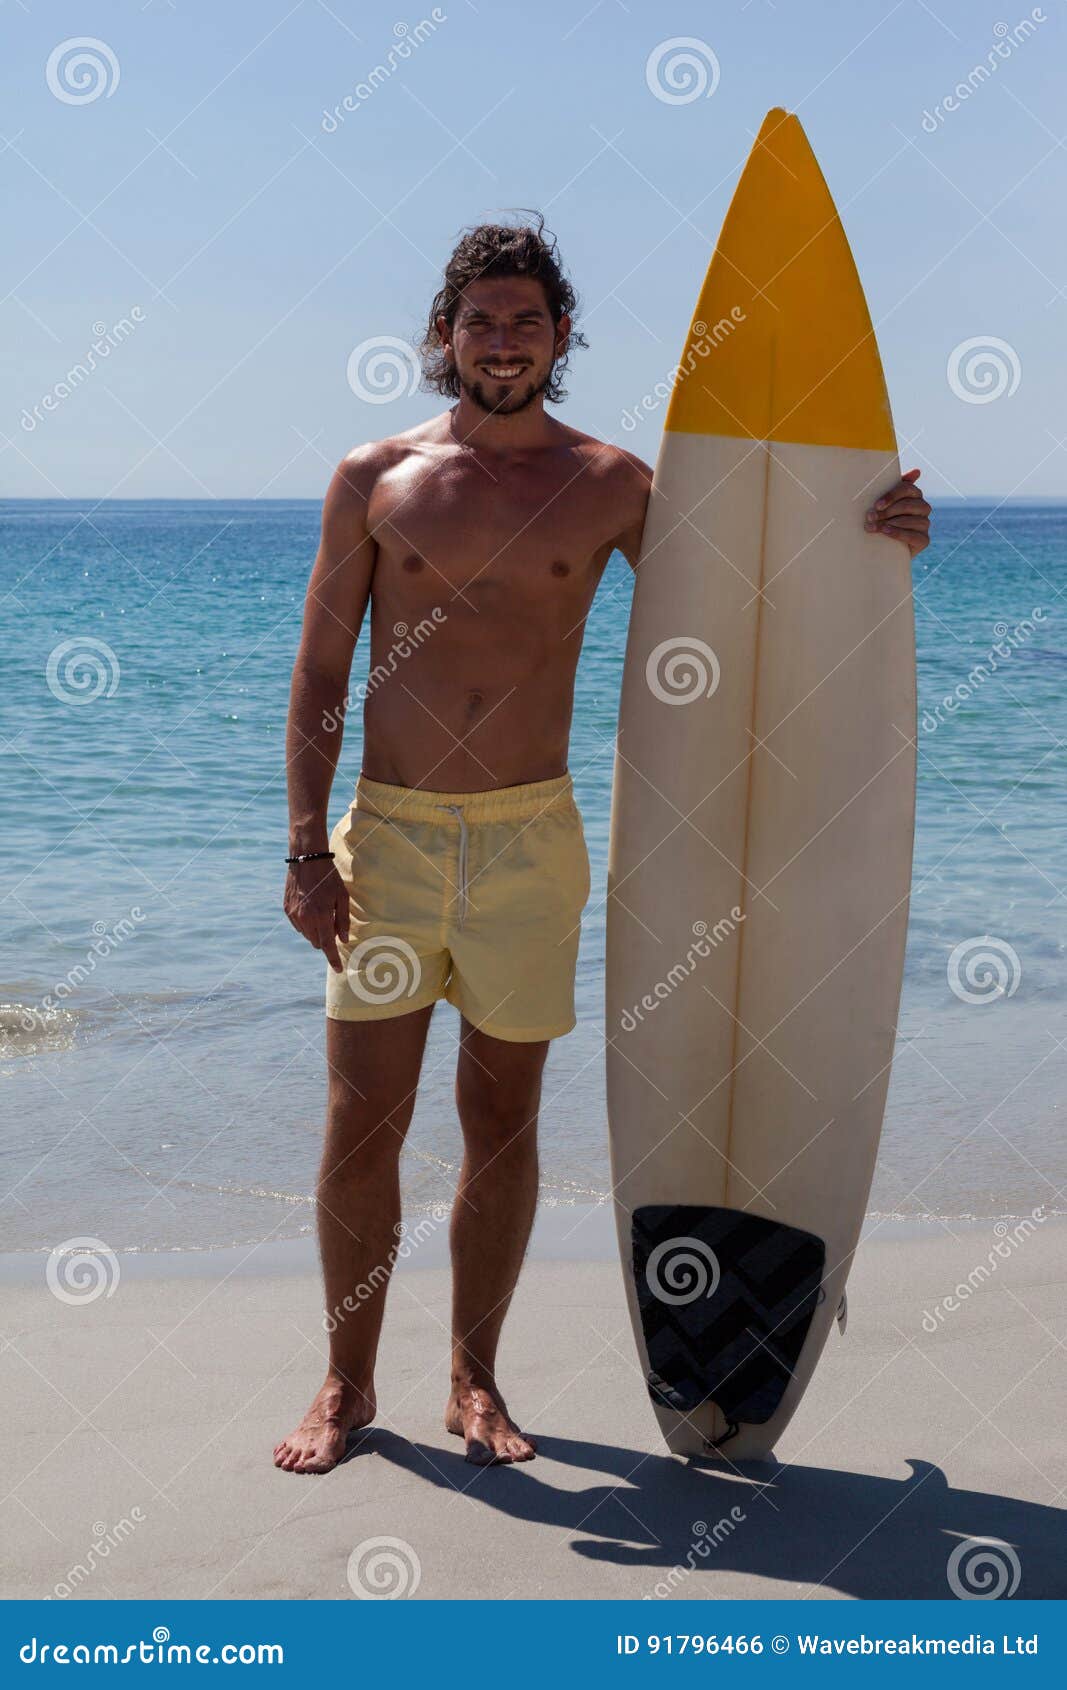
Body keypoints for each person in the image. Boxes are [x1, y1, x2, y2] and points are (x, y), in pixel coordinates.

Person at [275, 217, 931, 1474]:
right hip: (392, 839)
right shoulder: (374, 477)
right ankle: (344, 1384)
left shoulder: (616, 483)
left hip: (531, 838)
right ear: (444, 335)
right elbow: (317, 672)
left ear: (559, 336)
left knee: (500, 1123)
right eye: (481, 321)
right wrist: (307, 850)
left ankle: (474, 1380)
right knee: (362, 1125)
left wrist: (873, 527)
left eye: (527, 321)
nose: (503, 342)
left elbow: (750, 580)